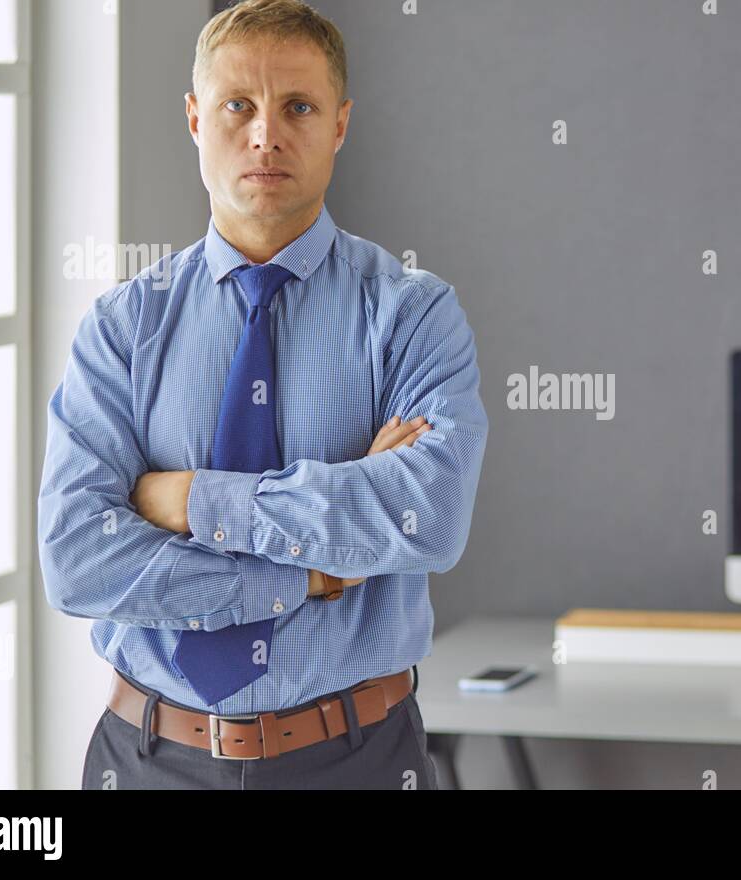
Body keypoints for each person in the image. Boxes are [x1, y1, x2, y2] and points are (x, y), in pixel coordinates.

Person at [37, 0, 487, 789]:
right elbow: (79, 559)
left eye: (299, 107)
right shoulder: (122, 327)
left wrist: (192, 502)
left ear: (340, 125)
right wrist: (312, 573)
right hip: (147, 761)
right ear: (193, 117)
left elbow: (432, 517)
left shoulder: (412, 313)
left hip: (360, 761)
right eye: (238, 105)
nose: (265, 134)